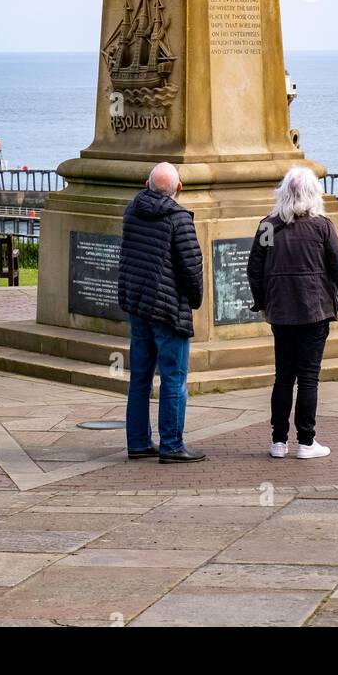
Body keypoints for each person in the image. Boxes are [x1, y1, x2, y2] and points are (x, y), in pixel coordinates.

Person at [248, 167, 338, 460]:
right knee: (309, 377)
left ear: (284, 193)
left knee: (283, 376)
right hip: (315, 310)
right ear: (313, 194)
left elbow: (254, 271)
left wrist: (261, 302)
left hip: (281, 310)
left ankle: (278, 442)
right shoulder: (321, 226)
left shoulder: (269, 227)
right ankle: (306, 442)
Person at [117, 161, 205, 463]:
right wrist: (195, 300)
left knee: (140, 375)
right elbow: (192, 266)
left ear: (146, 184)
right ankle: (171, 444)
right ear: (178, 189)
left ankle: (139, 441)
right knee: (174, 377)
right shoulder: (178, 218)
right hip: (168, 307)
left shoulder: (131, 211)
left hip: (138, 303)